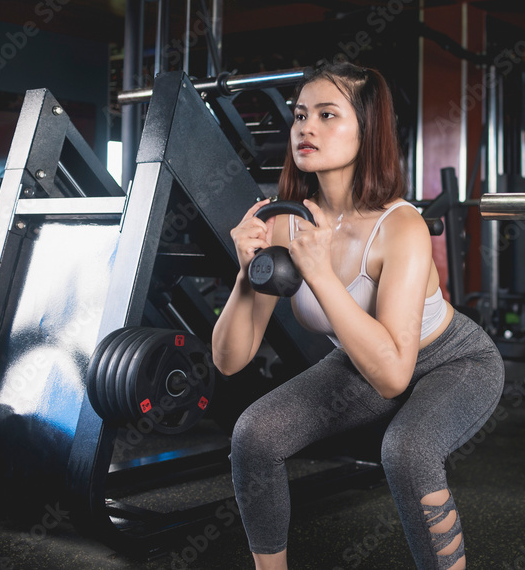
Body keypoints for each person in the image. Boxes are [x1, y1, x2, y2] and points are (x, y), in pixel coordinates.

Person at [212, 61, 505, 570]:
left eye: (328, 114)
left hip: (453, 362)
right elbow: (230, 360)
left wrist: (321, 273)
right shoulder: (286, 221)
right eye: (301, 115)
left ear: (367, 132)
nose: (306, 127)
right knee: (254, 435)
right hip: (360, 361)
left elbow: (394, 375)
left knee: (408, 450)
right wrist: (245, 276)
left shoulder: (402, 226)